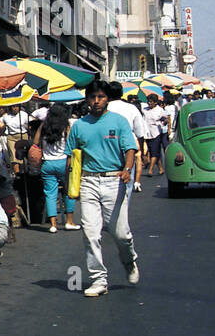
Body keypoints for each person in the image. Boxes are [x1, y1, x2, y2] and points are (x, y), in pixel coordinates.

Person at [67, 82, 139, 297]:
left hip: (114, 181)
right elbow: (72, 156)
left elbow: (130, 149)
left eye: (101, 96)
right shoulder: (79, 125)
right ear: (87, 99)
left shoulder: (119, 121)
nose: (96, 101)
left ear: (107, 98)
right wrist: (70, 184)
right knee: (90, 234)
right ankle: (98, 280)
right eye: (92, 97)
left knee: (121, 234)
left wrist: (127, 169)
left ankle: (129, 260)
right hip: (89, 182)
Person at [33, 103, 80, 233]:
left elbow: (35, 142)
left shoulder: (44, 126)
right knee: (68, 192)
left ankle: (53, 225)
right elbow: (72, 143)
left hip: (47, 164)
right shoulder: (66, 127)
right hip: (64, 162)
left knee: (50, 194)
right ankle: (69, 221)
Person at [105, 84, 147, 192]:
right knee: (127, 180)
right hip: (128, 149)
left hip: (107, 147)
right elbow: (140, 133)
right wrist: (141, 150)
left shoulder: (105, 108)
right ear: (122, 93)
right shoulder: (131, 108)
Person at [143, 95, 170, 177]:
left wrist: (165, 123)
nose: (149, 103)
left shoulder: (160, 110)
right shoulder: (145, 110)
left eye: (151, 101)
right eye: (148, 101)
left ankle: (150, 170)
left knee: (154, 153)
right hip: (147, 134)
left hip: (156, 133)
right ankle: (161, 169)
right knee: (152, 152)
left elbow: (166, 119)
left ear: (155, 102)